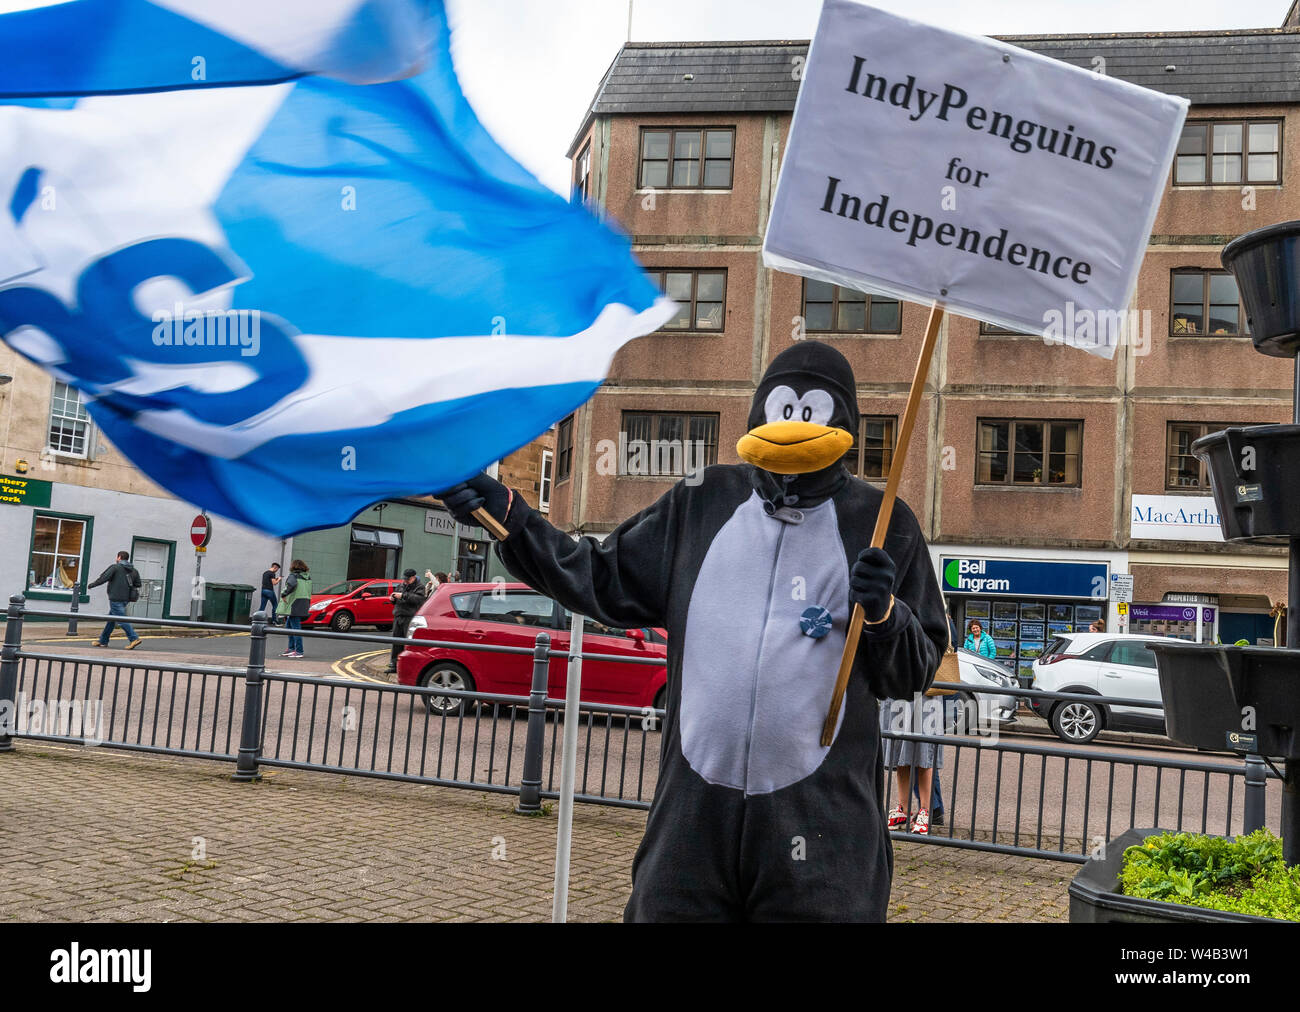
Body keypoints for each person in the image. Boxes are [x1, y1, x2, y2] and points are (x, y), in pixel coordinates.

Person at [435, 341, 946, 922]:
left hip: (824, 831)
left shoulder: (883, 522)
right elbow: (602, 576)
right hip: (692, 820)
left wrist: (884, 615)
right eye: (782, 407)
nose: (794, 424)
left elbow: (916, 668)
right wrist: (511, 518)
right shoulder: (703, 499)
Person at [883, 691, 944, 835]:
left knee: (924, 750)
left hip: (924, 691)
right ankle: (904, 809)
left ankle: (925, 811)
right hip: (899, 689)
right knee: (900, 749)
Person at [88, 550, 143, 649]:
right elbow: (138, 584)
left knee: (121, 620)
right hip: (126, 599)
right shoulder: (134, 570)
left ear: (119, 557)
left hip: (115, 598)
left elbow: (103, 578)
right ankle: (103, 641)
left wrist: (92, 585)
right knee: (111, 621)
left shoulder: (115, 567)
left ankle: (134, 638)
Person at [388, 568, 428, 672]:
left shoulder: (420, 587)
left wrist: (403, 595)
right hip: (398, 616)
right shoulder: (401, 585)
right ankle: (394, 665)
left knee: (407, 643)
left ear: (413, 577)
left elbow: (418, 599)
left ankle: (406, 666)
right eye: (404, 579)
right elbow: (396, 598)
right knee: (396, 642)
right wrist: (392, 599)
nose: (405, 581)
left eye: (407, 579)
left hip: (409, 617)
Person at [276, 560, 312, 658]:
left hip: (294, 603)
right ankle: (291, 649)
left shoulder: (293, 576)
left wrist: (284, 594)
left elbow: (291, 585)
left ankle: (299, 651)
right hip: (304, 602)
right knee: (289, 625)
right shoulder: (308, 577)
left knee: (296, 628)